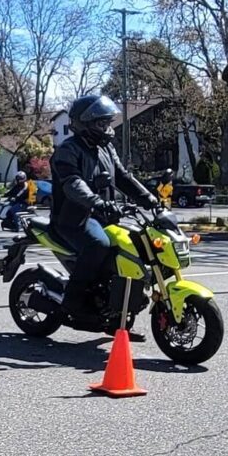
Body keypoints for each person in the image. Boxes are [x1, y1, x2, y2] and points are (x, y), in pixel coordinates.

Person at [50, 94, 159, 320]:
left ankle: (117, 301)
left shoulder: (106, 148)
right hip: (74, 220)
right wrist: (98, 202)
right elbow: (73, 183)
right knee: (98, 244)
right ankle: (72, 302)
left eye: (108, 123)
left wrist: (149, 199)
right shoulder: (67, 150)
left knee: (134, 244)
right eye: (102, 124)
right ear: (85, 124)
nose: (107, 129)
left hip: (103, 217)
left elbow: (122, 177)